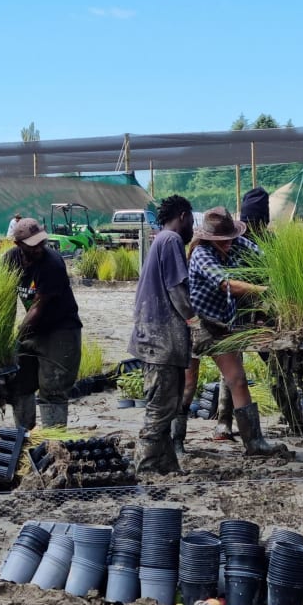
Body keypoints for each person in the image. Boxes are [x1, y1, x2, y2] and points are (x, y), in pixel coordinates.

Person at [183, 206, 289, 457]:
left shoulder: (237, 242)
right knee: (187, 384)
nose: (228, 244)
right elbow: (225, 283)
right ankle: (174, 440)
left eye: (229, 238)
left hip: (221, 325)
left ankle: (254, 443)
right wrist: (264, 291)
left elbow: (264, 257)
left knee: (238, 380)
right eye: (222, 240)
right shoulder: (201, 253)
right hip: (195, 323)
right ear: (209, 238)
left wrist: (283, 274)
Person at [128, 195, 195, 474]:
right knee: (159, 410)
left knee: (168, 406)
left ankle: (167, 465)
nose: (193, 224)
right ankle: (143, 468)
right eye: (191, 218)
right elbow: (177, 289)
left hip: (157, 339)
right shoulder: (171, 240)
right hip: (161, 340)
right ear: (182, 216)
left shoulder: (161, 240)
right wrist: (194, 319)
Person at [4, 218, 82, 430]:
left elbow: (38, 307)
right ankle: (24, 436)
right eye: (33, 245)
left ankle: (52, 445)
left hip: (61, 329)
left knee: (52, 389)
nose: (39, 248)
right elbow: (4, 300)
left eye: (41, 242)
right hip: (33, 328)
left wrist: (18, 337)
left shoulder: (52, 263)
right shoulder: (10, 260)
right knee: (19, 384)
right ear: (18, 245)